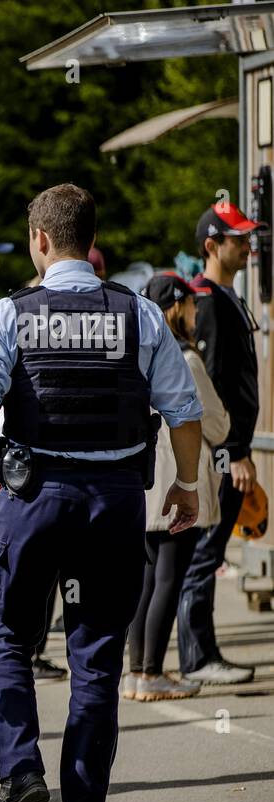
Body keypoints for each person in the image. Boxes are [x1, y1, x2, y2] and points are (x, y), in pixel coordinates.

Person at [0, 184, 202, 802]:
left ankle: (20, 771)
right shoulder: (139, 313)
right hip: (115, 499)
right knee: (96, 652)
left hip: (34, 495)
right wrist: (185, 486)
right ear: (89, 242)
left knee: (8, 634)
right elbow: (184, 411)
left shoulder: (12, 312)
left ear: (39, 240)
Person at [127, 272, 231, 701]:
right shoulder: (185, 359)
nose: (195, 313)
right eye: (190, 305)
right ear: (176, 307)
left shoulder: (137, 355)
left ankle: (136, 672)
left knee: (148, 580)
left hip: (147, 483)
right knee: (170, 578)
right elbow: (217, 424)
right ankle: (153, 672)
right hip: (179, 484)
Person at [177, 201, 263, 685]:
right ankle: (196, 657)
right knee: (204, 555)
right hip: (223, 455)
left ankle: (202, 653)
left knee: (207, 555)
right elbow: (210, 391)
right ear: (212, 245)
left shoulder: (227, 296)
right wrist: (235, 453)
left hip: (232, 450)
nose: (247, 246)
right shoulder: (207, 301)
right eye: (237, 239)